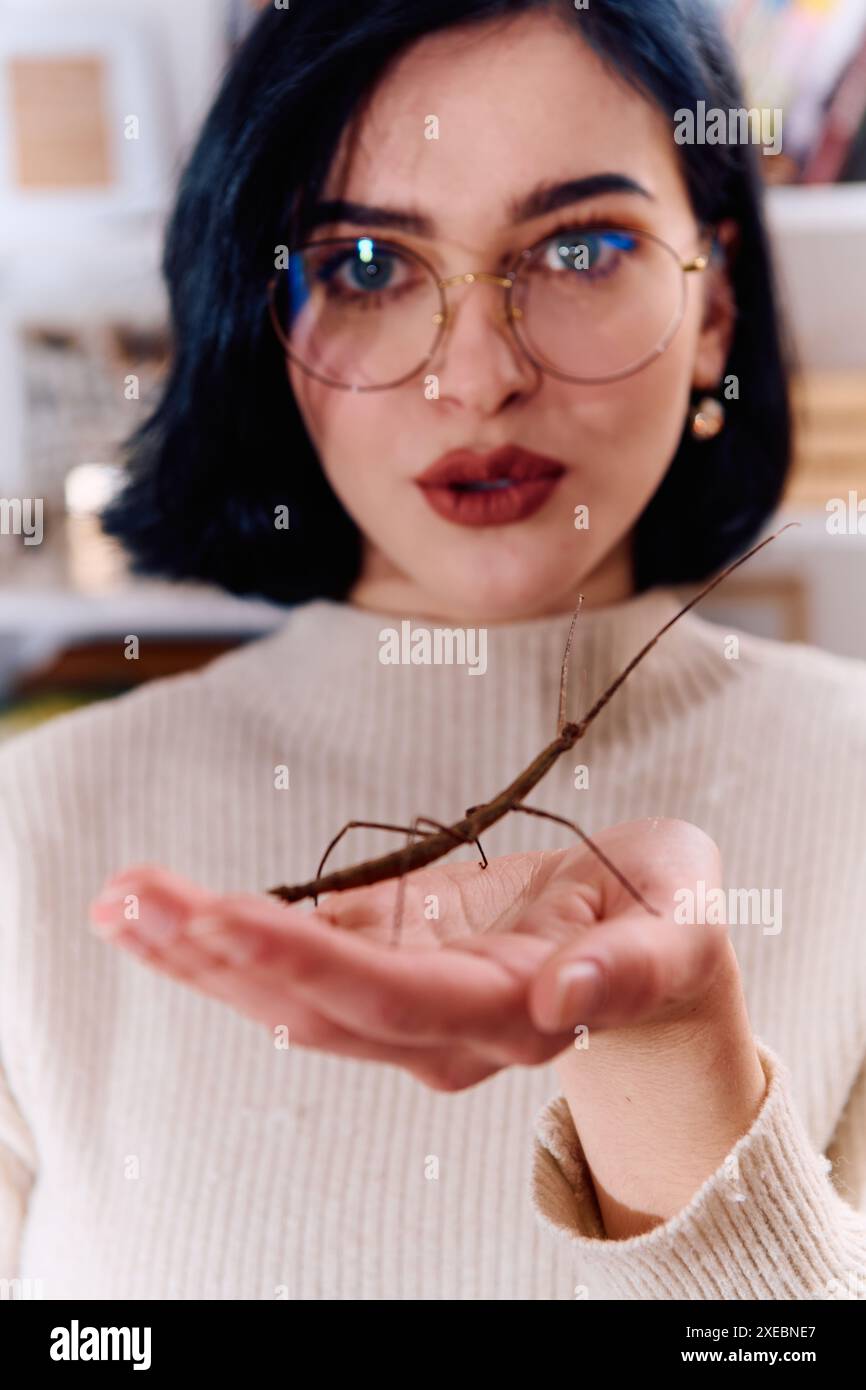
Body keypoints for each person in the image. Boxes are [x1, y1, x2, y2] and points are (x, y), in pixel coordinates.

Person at [2, 0, 865, 1301]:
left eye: (578, 247)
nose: (475, 377)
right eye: (363, 265)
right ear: (270, 323)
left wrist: (671, 1063)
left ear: (713, 309)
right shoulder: (30, 833)